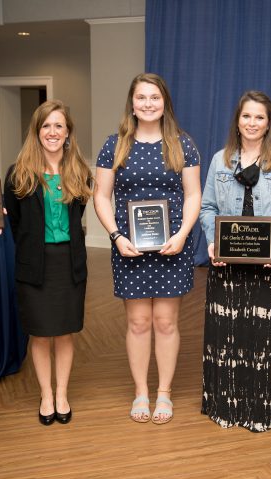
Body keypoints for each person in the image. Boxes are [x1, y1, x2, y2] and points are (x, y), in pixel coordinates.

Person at [94, 73, 201, 424]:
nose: (148, 103)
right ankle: (141, 390)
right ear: (132, 103)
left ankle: (164, 393)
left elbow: (192, 194)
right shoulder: (115, 145)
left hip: (173, 245)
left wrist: (184, 234)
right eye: (141, 97)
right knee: (139, 322)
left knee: (166, 322)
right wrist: (115, 236)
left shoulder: (183, 144)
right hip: (129, 247)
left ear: (164, 102)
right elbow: (101, 195)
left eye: (154, 97)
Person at [200, 90, 271, 432]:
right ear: (237, 120)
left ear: (269, 122)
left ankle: (264, 409)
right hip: (227, 264)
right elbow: (207, 208)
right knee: (229, 333)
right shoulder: (220, 159)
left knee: (265, 336)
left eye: (259, 117)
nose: (252, 123)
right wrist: (213, 242)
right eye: (246, 116)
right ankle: (225, 407)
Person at [4, 100, 92, 426]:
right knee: (40, 335)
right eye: (46, 126)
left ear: (68, 131)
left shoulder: (80, 171)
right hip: (33, 265)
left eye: (59, 125)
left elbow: (78, 214)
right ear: (36, 131)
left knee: (65, 333)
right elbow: (15, 221)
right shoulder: (19, 173)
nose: (52, 132)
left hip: (69, 263)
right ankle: (46, 394)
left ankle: (63, 394)